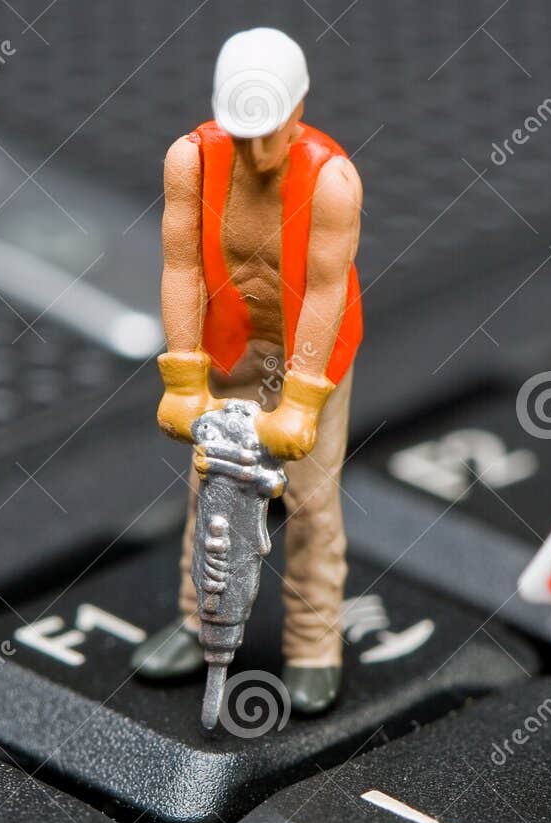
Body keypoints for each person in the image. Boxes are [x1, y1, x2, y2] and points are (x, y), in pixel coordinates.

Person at [131, 27, 363, 716]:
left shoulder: (331, 180)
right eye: (243, 133)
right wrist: (182, 378)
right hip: (229, 348)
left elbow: (324, 294)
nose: (257, 150)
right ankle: (197, 619)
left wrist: (300, 401)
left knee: (312, 501)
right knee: (209, 489)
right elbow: (180, 267)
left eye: (270, 132)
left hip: (307, 357)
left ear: (300, 108)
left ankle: (315, 643)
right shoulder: (192, 161)